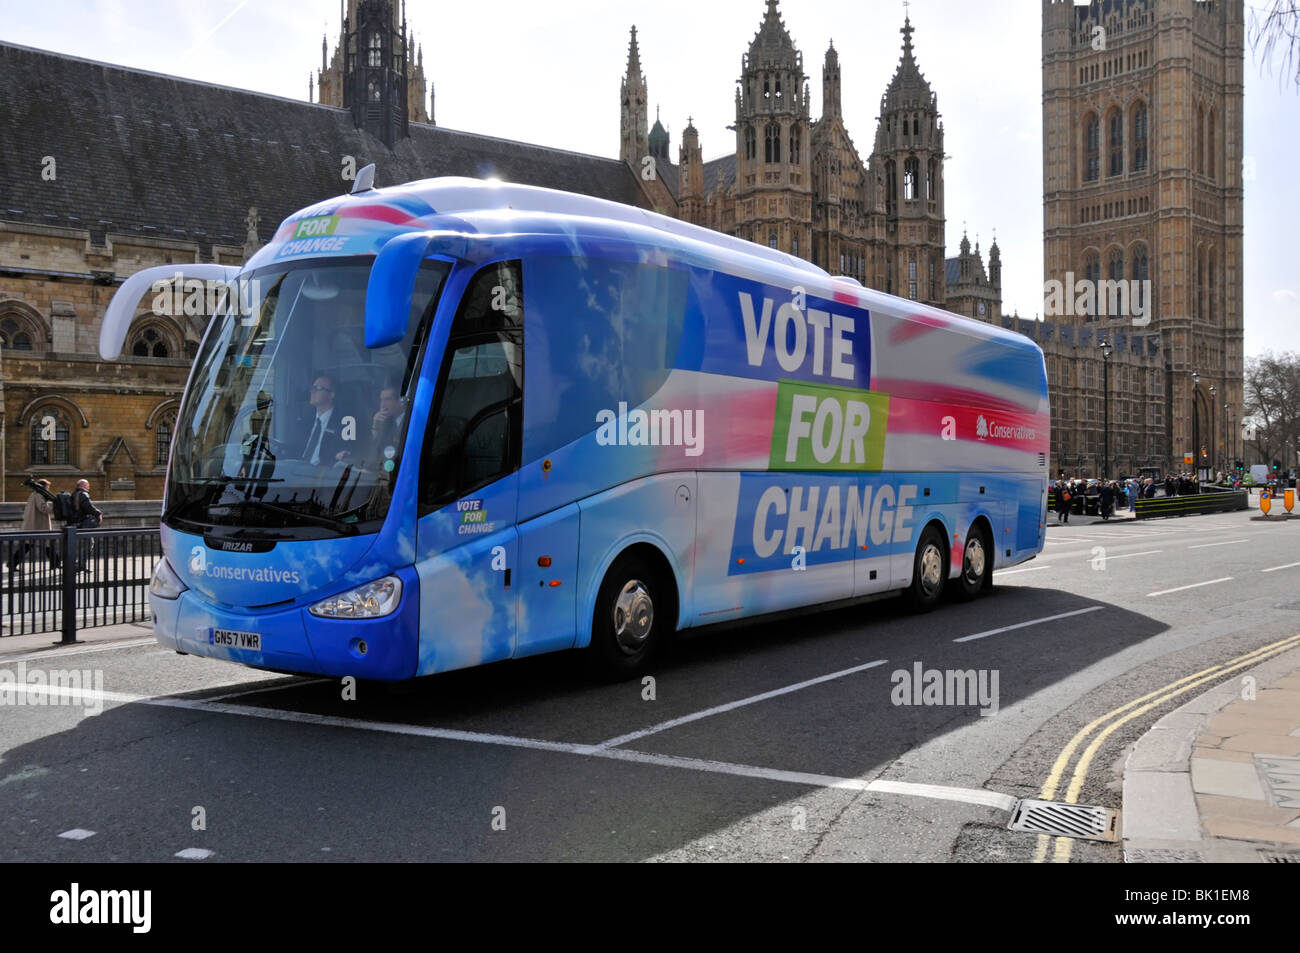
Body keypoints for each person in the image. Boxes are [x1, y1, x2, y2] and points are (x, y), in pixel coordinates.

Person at [298, 374, 349, 467]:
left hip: (323, 477)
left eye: (318, 388)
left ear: (331, 394)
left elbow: (345, 455)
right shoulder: (305, 420)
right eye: (312, 388)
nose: (312, 391)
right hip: (297, 472)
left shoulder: (345, 422)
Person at [7, 478, 55, 573]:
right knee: (43, 546)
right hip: (37, 526)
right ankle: (56, 564)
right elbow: (43, 508)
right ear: (44, 487)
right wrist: (55, 506)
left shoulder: (35, 494)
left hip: (35, 525)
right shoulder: (38, 495)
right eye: (48, 487)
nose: (48, 489)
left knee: (35, 546)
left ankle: (55, 564)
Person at [71, 479, 102, 572]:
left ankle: (79, 564)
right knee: (88, 544)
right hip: (84, 523)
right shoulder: (84, 494)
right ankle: (80, 565)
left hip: (76, 523)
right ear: (84, 485)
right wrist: (98, 514)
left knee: (82, 544)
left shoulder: (74, 494)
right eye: (88, 485)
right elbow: (89, 507)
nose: (89, 487)